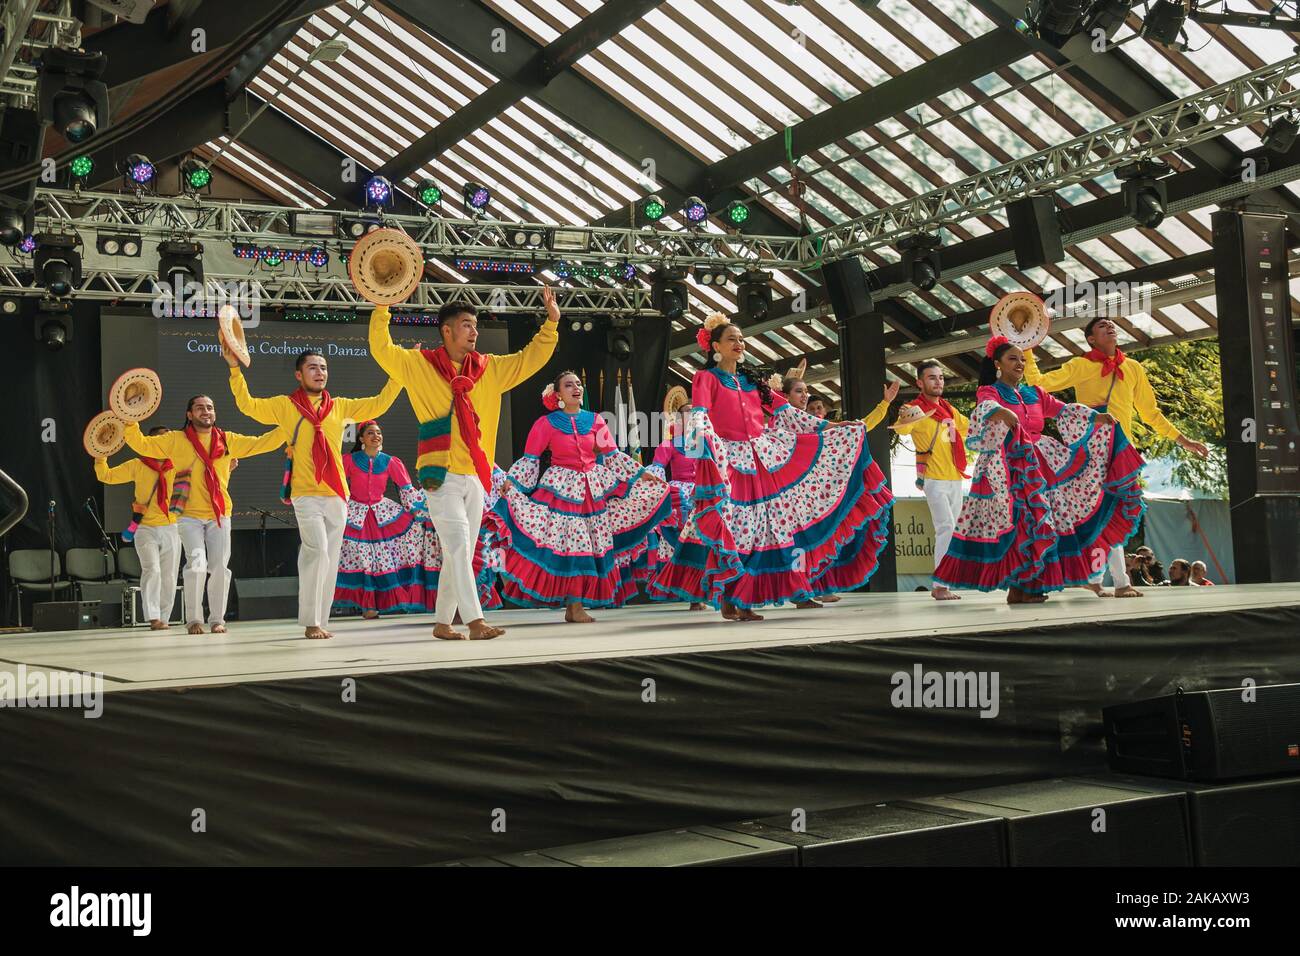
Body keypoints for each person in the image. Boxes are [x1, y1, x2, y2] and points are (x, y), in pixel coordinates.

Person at [650, 312, 893, 620]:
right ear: (716, 346)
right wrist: (707, 443)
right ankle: (729, 595)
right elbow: (700, 414)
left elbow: (787, 412)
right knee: (737, 529)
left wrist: (828, 427)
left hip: (762, 456)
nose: (739, 344)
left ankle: (745, 599)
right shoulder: (706, 378)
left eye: (741, 339)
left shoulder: (753, 381)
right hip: (729, 460)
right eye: (731, 339)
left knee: (767, 529)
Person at [369, 290, 560, 640]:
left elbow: (530, 358)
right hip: (439, 475)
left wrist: (551, 323)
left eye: (475, 326)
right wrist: (382, 306)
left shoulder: (490, 369)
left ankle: (442, 623)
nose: (474, 332)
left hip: (475, 474)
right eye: (466, 325)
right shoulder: (420, 366)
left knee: (459, 552)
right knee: (458, 547)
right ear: (446, 330)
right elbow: (381, 349)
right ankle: (475, 621)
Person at [934, 337, 1145, 605]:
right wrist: (1001, 412)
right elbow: (984, 408)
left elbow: (1063, 410)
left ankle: (1029, 586)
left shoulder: (1034, 393)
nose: (1020, 363)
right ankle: (1020, 586)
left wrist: (1096, 417)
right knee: (1022, 524)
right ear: (997, 364)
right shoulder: (991, 392)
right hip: (1008, 466)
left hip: (1040, 462)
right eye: (1013, 359)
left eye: (1022, 359)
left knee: (1042, 523)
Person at [1025, 316, 1208, 597]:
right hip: (1090, 452)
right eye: (1101, 326)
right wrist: (1027, 346)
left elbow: (1150, 414)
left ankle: (1100, 578)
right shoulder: (1082, 365)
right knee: (1103, 514)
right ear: (1090, 339)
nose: (1110, 327)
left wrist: (1183, 441)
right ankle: (1115, 581)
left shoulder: (1133, 368)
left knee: (1111, 514)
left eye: (1111, 324)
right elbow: (1038, 384)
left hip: (1122, 451)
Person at [227, 349, 402, 639]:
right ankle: (310, 621)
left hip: (336, 493)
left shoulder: (339, 406)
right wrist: (235, 370)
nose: (319, 372)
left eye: (323, 367)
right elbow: (247, 405)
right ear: (299, 374)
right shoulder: (286, 406)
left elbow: (379, 403)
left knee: (331, 558)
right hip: (306, 492)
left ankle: (321, 620)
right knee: (316, 551)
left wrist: (398, 375)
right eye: (312, 368)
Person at [494, 371, 669, 622]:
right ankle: (574, 607)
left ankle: (575, 606)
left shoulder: (596, 420)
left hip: (593, 490)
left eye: (578, 384)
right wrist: (512, 482)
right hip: (562, 489)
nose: (576, 388)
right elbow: (530, 460)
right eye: (568, 385)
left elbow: (612, 455)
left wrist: (640, 474)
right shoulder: (546, 424)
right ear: (557, 395)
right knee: (574, 547)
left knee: (590, 547)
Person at [123, 396, 285, 634]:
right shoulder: (176, 440)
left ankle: (217, 619)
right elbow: (142, 444)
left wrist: (289, 424)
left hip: (219, 514)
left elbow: (262, 443)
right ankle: (194, 619)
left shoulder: (227, 440)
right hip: (188, 516)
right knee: (197, 565)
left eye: (210, 407)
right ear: (189, 414)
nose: (206, 411)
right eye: (200, 407)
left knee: (220, 567)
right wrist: (129, 421)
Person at [890, 359, 970, 602]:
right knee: (945, 526)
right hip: (933, 479)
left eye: (941, 377)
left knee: (952, 529)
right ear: (920, 382)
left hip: (955, 477)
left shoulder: (950, 410)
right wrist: (905, 417)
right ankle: (940, 584)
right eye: (932, 377)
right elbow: (901, 430)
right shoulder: (914, 408)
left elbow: (969, 428)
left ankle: (946, 581)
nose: (938, 381)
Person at [333, 420, 430, 618]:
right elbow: (336, 486)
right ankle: (367, 606)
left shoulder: (391, 462)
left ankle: (380, 604)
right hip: (356, 514)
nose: (376, 436)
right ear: (361, 439)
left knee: (384, 561)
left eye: (378, 432)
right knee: (363, 560)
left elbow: (406, 490)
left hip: (382, 515)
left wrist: (419, 512)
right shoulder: (349, 461)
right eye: (370, 433)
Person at [92, 426, 180, 630]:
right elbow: (107, 476)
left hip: (172, 527)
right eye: (158, 440)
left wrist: (226, 467)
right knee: (153, 570)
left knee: (170, 575)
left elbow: (203, 477)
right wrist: (100, 457)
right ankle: (153, 618)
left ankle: (165, 617)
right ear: (149, 443)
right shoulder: (138, 464)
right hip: (145, 528)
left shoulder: (179, 465)